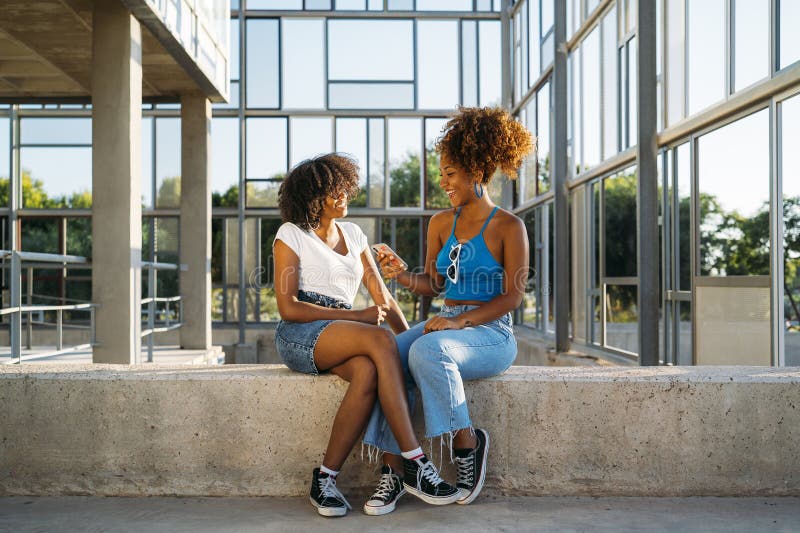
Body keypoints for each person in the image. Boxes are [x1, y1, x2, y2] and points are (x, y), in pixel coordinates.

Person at [272, 153, 461, 518]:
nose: (343, 195)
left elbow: (383, 298)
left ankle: (325, 479)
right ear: (313, 197)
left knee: (368, 370)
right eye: (334, 190)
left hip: (343, 332)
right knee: (378, 339)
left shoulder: (355, 234)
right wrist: (355, 316)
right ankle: (415, 462)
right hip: (300, 333)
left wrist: (409, 342)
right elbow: (288, 307)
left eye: (345, 187)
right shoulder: (291, 234)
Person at [363, 106, 534, 508]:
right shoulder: (441, 223)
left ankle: (467, 442)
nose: (443, 183)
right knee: (386, 354)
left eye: (450, 174)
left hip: (491, 332)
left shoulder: (509, 226)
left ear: (476, 171)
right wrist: (401, 274)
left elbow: (512, 296)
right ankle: (395, 470)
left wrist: (462, 322)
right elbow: (435, 285)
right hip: (447, 322)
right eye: (441, 174)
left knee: (427, 349)